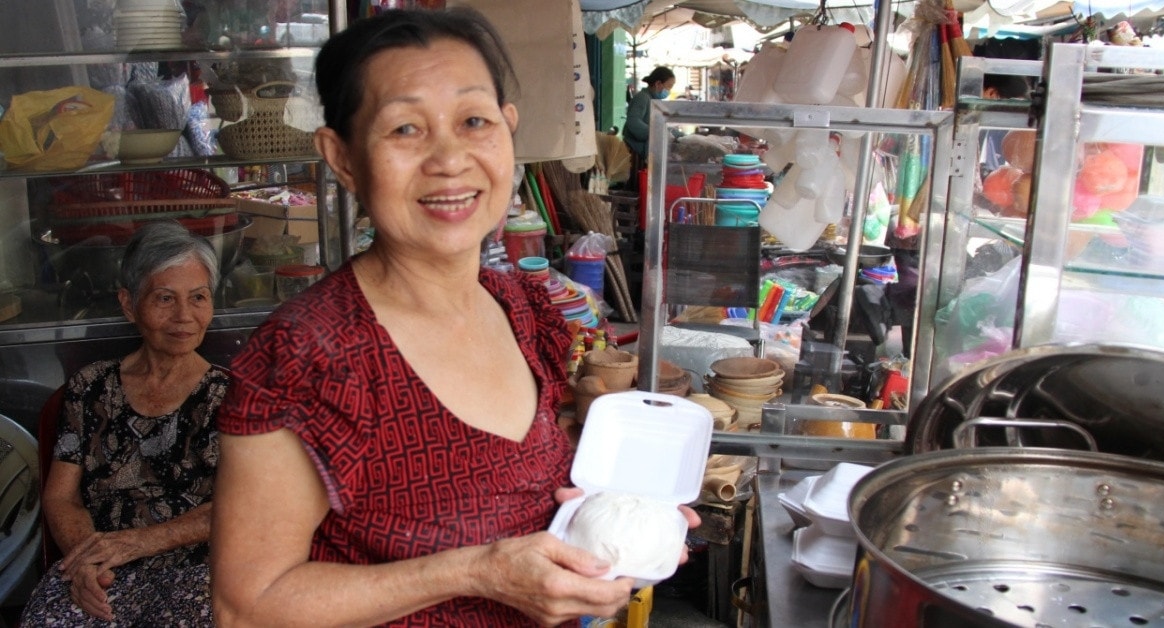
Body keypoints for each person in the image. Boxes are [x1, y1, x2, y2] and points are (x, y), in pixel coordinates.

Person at [210, 8, 698, 627]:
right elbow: (245, 608)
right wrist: (476, 571)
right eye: (406, 129)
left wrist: (616, 520)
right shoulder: (308, 356)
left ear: (508, 131)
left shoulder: (522, 309)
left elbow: (507, 494)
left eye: (474, 121)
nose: (449, 159)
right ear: (343, 158)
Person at [21, 221, 227, 626]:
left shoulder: (234, 398)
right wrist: (86, 563)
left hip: (196, 573)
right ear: (129, 304)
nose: (184, 316)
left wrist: (133, 544)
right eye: (165, 298)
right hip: (100, 571)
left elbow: (238, 508)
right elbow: (62, 497)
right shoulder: (90, 387)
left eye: (198, 297)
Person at [622, 66, 675, 161]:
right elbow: (633, 121)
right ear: (658, 84)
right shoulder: (642, 98)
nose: (669, 91)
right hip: (634, 152)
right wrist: (655, 132)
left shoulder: (653, 100)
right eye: (669, 86)